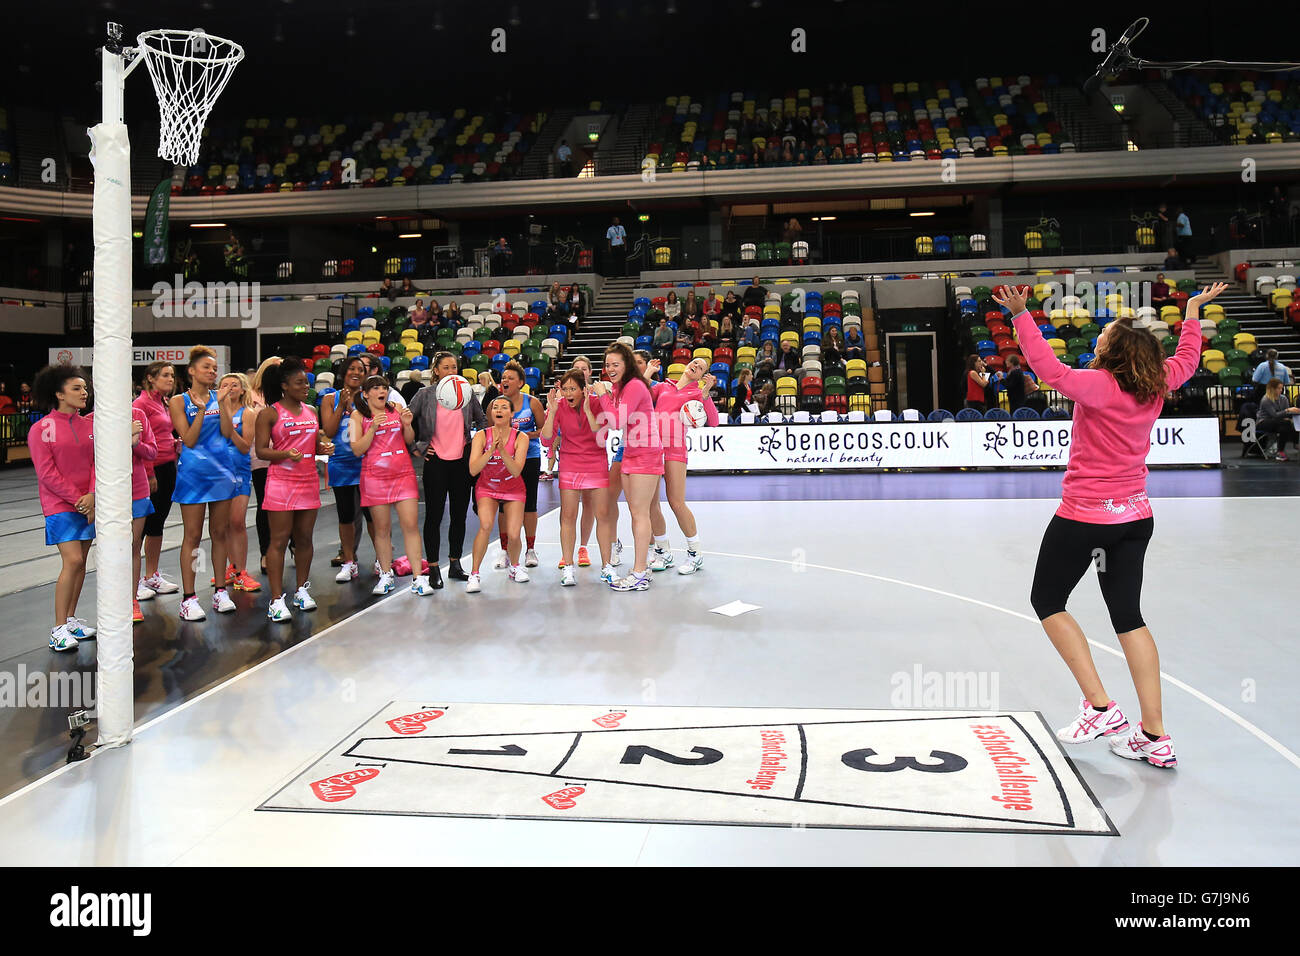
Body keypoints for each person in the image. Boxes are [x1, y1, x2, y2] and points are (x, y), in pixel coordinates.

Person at [993, 280, 1228, 770]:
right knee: (1128, 616)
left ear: (1115, 354)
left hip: (1085, 516)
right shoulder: (1159, 380)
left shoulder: (1100, 385)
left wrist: (1020, 316)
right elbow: (1187, 357)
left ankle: (1100, 707)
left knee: (1047, 600)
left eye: (1102, 339)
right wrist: (1190, 311)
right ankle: (1154, 736)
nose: (1096, 340)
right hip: (1136, 517)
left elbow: (1050, 370)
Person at [256, 357, 333, 623]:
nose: (306, 386)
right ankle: (276, 600)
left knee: (304, 539)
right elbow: (261, 450)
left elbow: (314, 444)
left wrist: (322, 448)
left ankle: (301, 590)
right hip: (281, 483)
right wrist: (284, 453)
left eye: (307, 382)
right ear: (285, 386)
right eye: (300, 382)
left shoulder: (311, 411)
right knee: (277, 541)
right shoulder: (270, 413)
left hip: (308, 481)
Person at [169, 346, 241, 621]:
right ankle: (189, 598)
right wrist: (200, 411)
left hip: (222, 472)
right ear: (191, 371)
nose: (212, 371)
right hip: (193, 476)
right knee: (193, 536)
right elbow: (187, 439)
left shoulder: (220, 397)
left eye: (214, 368)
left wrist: (221, 403)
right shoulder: (178, 400)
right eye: (206, 367)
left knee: (220, 533)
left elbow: (226, 432)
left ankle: (220, 590)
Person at [29, 365, 98, 650]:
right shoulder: (41, 429)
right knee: (73, 561)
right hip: (60, 505)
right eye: (76, 388)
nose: (84, 393)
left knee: (81, 564)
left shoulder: (91, 425)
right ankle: (58, 629)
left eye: (84, 388)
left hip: (89, 503)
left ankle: (70, 620)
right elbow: (47, 473)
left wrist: (92, 494)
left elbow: (98, 462)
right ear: (59, 394)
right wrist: (77, 498)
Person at [350, 374, 435, 595]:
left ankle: (418, 577)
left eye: (384, 387)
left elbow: (408, 439)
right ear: (366, 393)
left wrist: (407, 425)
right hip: (375, 477)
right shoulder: (358, 416)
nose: (382, 391)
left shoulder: (396, 408)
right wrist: (372, 429)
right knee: (381, 529)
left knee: (410, 525)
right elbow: (357, 449)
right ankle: (386, 575)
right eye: (376, 388)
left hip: (402, 473)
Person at [410, 351, 487, 587]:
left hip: (461, 462)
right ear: (436, 371)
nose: (451, 372)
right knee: (433, 516)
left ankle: (455, 563)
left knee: (459, 515)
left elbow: (482, 421)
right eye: (446, 367)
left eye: (454, 367)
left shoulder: (466, 393)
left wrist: (475, 445)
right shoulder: (424, 395)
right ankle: (433, 567)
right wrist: (417, 447)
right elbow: (405, 421)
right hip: (436, 462)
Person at [593, 342, 662, 591]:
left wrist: (601, 393)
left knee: (640, 513)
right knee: (637, 513)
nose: (610, 368)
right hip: (632, 452)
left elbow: (615, 421)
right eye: (608, 364)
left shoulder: (632, 386)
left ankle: (640, 572)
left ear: (627, 365)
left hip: (645, 453)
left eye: (616, 364)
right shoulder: (622, 386)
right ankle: (640, 569)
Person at [647, 357, 718, 575]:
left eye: (701, 368)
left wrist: (706, 392)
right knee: (650, 503)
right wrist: (649, 372)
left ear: (701, 375)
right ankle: (663, 552)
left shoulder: (697, 393)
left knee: (676, 502)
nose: (695, 366)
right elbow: (638, 396)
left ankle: (695, 553)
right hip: (652, 448)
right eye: (694, 362)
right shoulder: (663, 387)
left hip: (675, 450)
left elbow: (713, 421)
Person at [540, 370, 612, 585]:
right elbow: (545, 441)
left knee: (603, 515)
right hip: (570, 464)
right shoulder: (559, 406)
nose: (568, 393)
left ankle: (607, 567)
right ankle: (568, 567)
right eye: (565, 389)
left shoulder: (597, 404)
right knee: (568, 516)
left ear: (583, 389)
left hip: (596, 462)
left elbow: (602, 438)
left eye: (573, 389)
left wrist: (589, 411)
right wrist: (551, 412)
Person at [466, 396, 530, 592]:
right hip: (487, 487)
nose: (499, 410)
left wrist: (502, 450)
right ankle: (474, 574)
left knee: (513, 533)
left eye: (504, 407)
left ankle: (515, 566)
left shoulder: (521, 437)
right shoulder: (481, 436)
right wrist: (490, 451)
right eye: (495, 407)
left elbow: (516, 471)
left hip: (513, 488)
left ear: (511, 414)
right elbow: (473, 470)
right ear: (491, 413)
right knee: (485, 525)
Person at [321, 356, 374, 585]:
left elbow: (370, 425)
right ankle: (349, 561)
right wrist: (342, 406)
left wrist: (353, 408)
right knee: (345, 515)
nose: (356, 372)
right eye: (352, 369)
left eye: (360, 370)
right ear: (343, 372)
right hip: (341, 463)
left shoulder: (368, 397)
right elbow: (330, 431)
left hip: (366, 462)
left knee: (372, 514)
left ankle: (382, 559)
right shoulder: (329, 399)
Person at [134, 361, 182, 600]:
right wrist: (149, 472)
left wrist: (175, 443)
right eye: (165, 375)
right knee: (141, 526)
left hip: (168, 466)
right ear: (150, 378)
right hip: (150, 470)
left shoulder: (162, 402)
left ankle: (151, 575)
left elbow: (163, 434)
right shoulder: (141, 404)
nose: (170, 379)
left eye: (172, 375)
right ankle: (132, 581)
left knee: (158, 523)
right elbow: (138, 442)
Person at [491, 362, 544, 568]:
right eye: (503, 377)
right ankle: (504, 551)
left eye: (510, 378)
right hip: (504, 460)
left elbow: (543, 430)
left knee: (529, 504)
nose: (505, 381)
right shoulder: (495, 405)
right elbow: (490, 432)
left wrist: (524, 436)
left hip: (529, 458)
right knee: (504, 506)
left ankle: (530, 550)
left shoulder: (532, 403)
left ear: (521, 383)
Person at [217, 373, 261, 597]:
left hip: (239, 470)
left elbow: (245, 446)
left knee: (237, 521)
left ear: (243, 389)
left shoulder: (249, 413)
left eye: (235, 384)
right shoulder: (214, 411)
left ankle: (241, 570)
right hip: (217, 471)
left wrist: (228, 428)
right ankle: (230, 567)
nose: (230, 388)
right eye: (225, 384)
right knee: (221, 524)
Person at [247, 357, 280, 574]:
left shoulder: (285, 396)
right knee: (263, 504)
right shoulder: (251, 396)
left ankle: (290, 544)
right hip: (260, 458)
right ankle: (265, 553)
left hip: (283, 457)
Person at [1255, 378, 1300, 461]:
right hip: (1264, 422)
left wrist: (1295, 412)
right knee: (1285, 424)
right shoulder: (1266, 400)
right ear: (1272, 389)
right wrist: (1288, 410)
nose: (1281, 390)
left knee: (1287, 425)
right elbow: (1274, 415)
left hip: (1279, 422)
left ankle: (1280, 451)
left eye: (1281, 388)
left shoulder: (1284, 399)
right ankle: (1294, 444)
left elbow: (1286, 414)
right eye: (1279, 388)